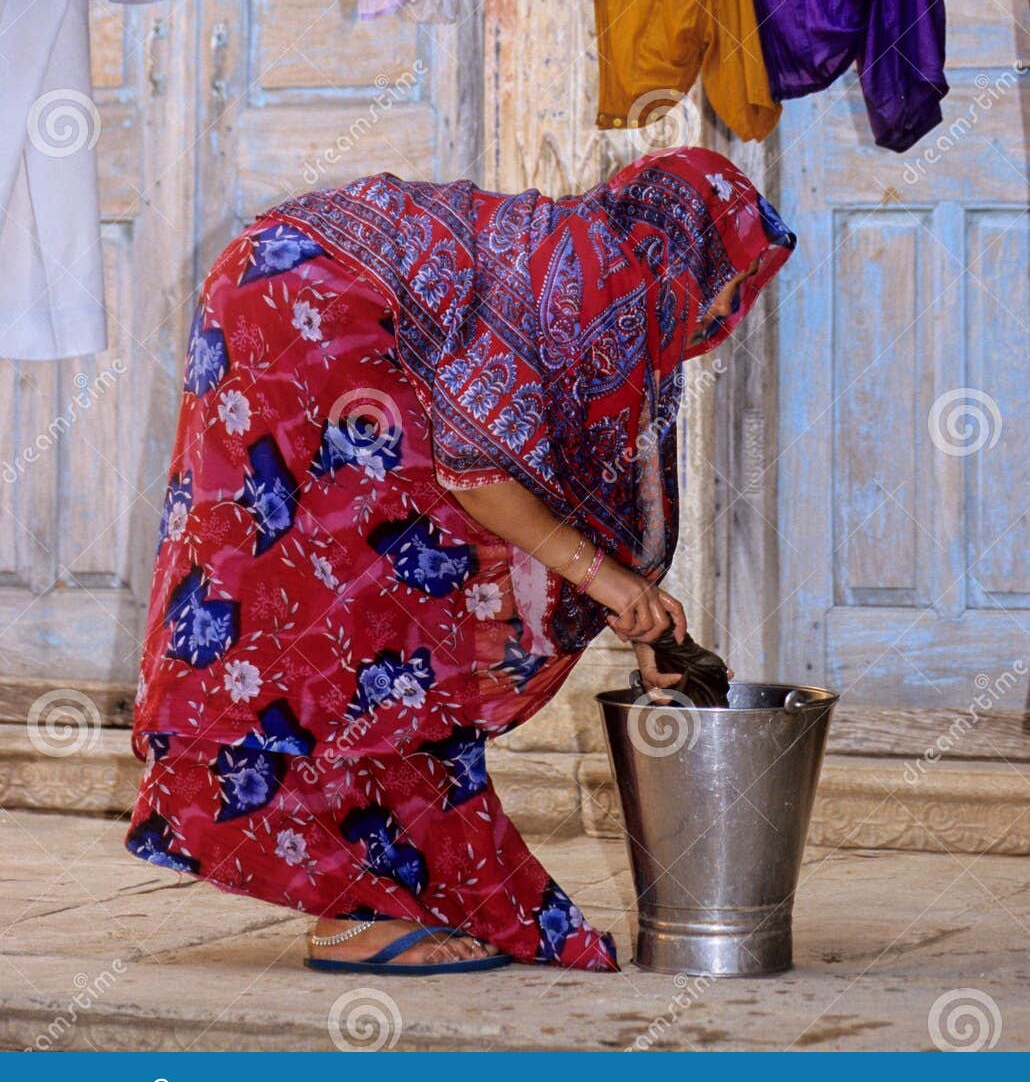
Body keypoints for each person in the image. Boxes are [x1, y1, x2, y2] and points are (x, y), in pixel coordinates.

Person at [126, 147, 795, 973]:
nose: (729, 307)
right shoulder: (589, 286)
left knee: (329, 600)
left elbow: (559, 490)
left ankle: (376, 891)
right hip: (312, 306)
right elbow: (479, 475)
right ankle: (359, 913)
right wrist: (608, 581)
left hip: (273, 280)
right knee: (394, 599)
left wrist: (634, 604)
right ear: (683, 250)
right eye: (731, 278)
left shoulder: (597, 272)